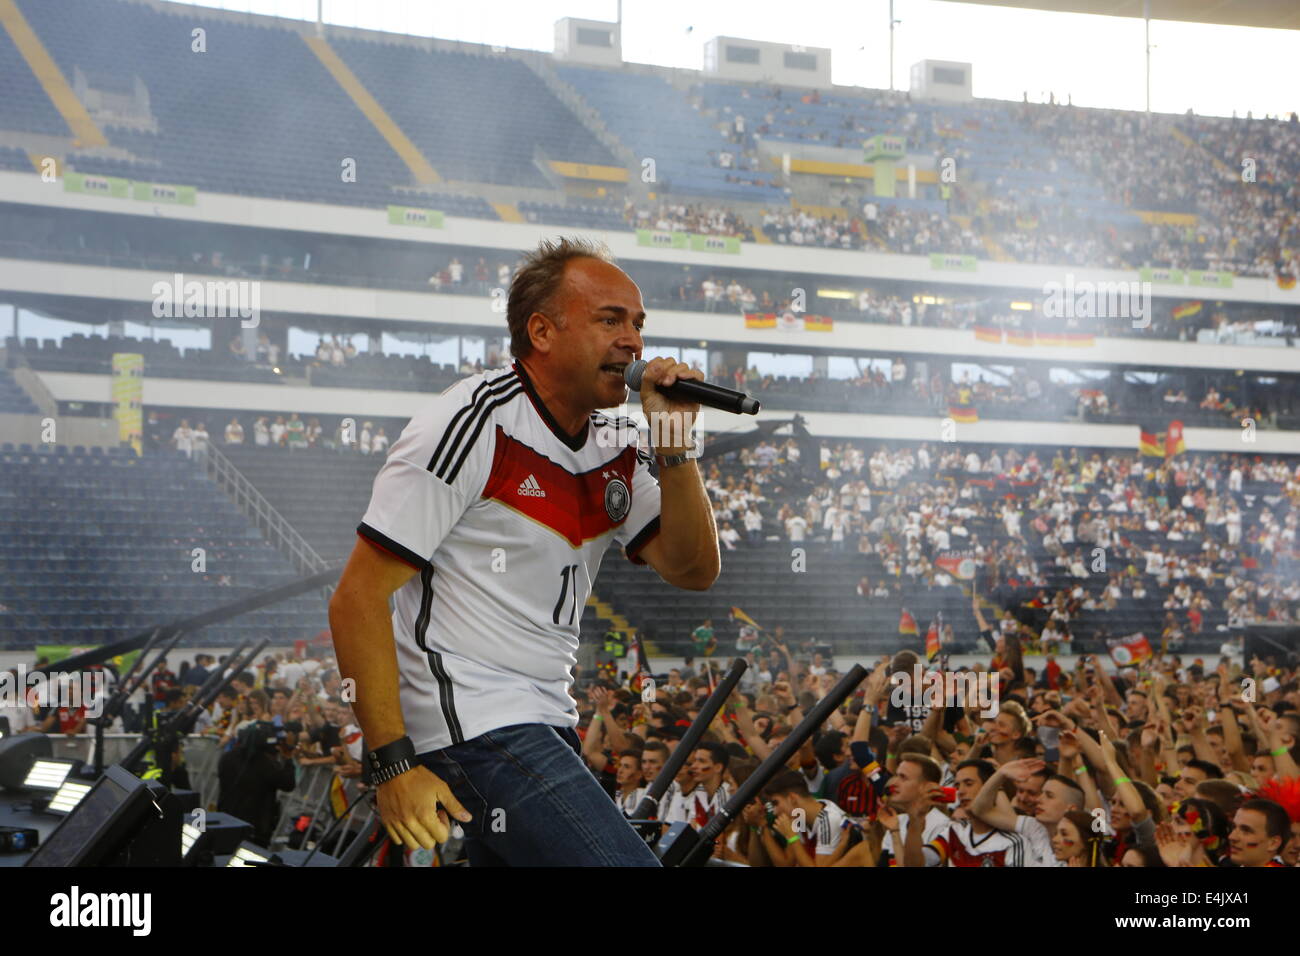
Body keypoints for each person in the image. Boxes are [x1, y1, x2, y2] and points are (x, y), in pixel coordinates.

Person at [329, 236, 720, 866]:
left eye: (639, 324)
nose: (635, 343)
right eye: (610, 320)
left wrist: (674, 445)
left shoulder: (619, 437)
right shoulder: (473, 421)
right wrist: (391, 765)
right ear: (542, 331)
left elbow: (694, 569)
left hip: (542, 716)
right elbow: (356, 599)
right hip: (470, 719)